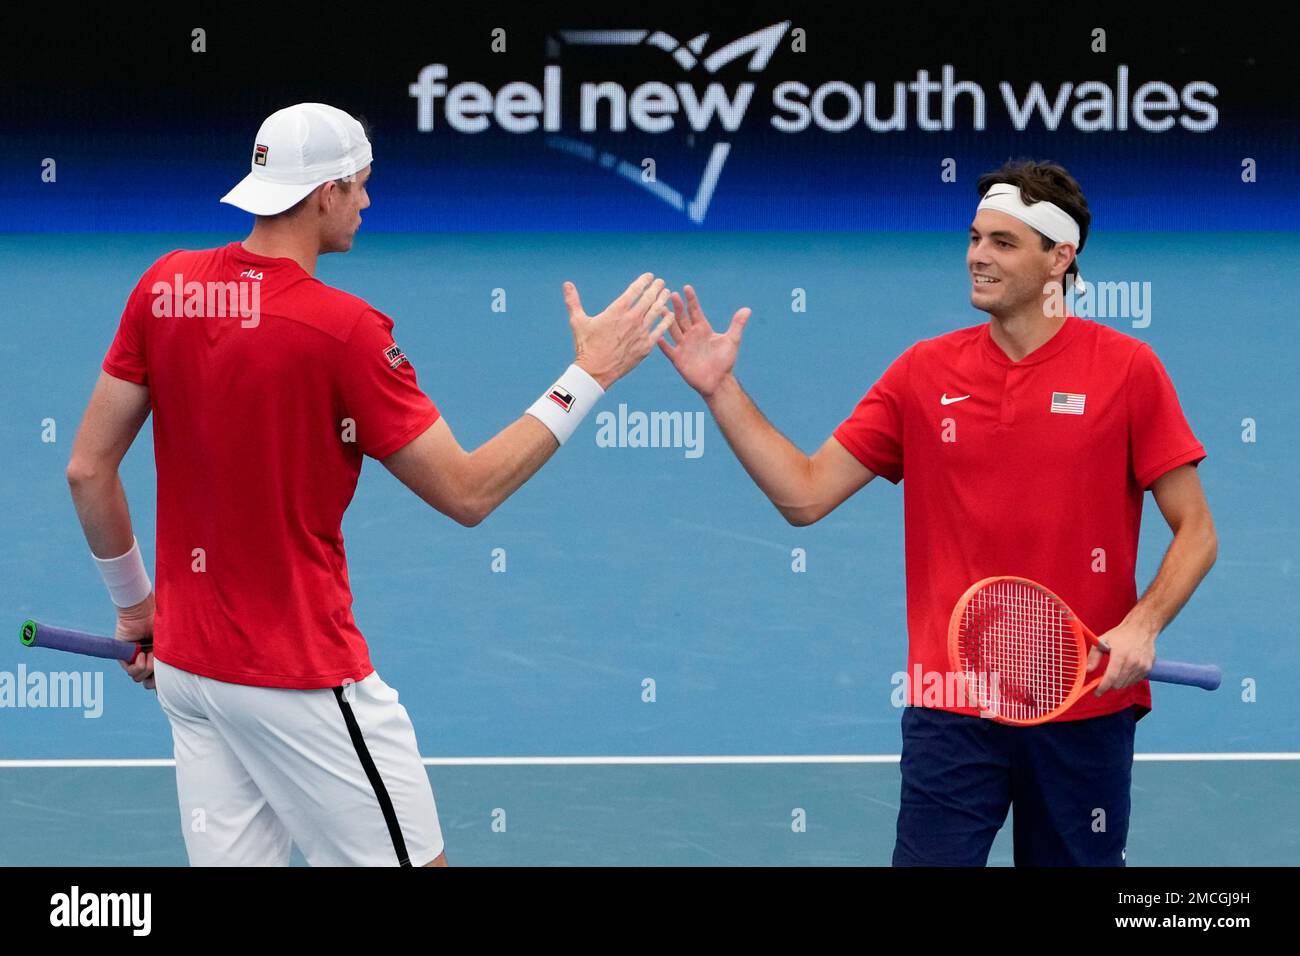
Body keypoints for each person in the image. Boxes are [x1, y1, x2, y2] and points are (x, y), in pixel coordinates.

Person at [66, 102, 672, 867]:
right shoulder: (347, 331)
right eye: (360, 186)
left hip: (191, 674)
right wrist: (588, 376)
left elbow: (87, 469)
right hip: (298, 677)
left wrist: (137, 611)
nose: (368, 202)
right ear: (323, 193)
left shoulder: (168, 287)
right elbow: (469, 491)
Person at [658, 159, 1217, 866]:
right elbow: (804, 494)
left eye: (1004, 243)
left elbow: (1197, 530)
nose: (977, 256)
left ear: (1061, 257)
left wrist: (1144, 623)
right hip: (952, 700)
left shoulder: (1129, 370)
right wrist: (721, 391)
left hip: (1085, 708)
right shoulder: (923, 374)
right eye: (975, 237)